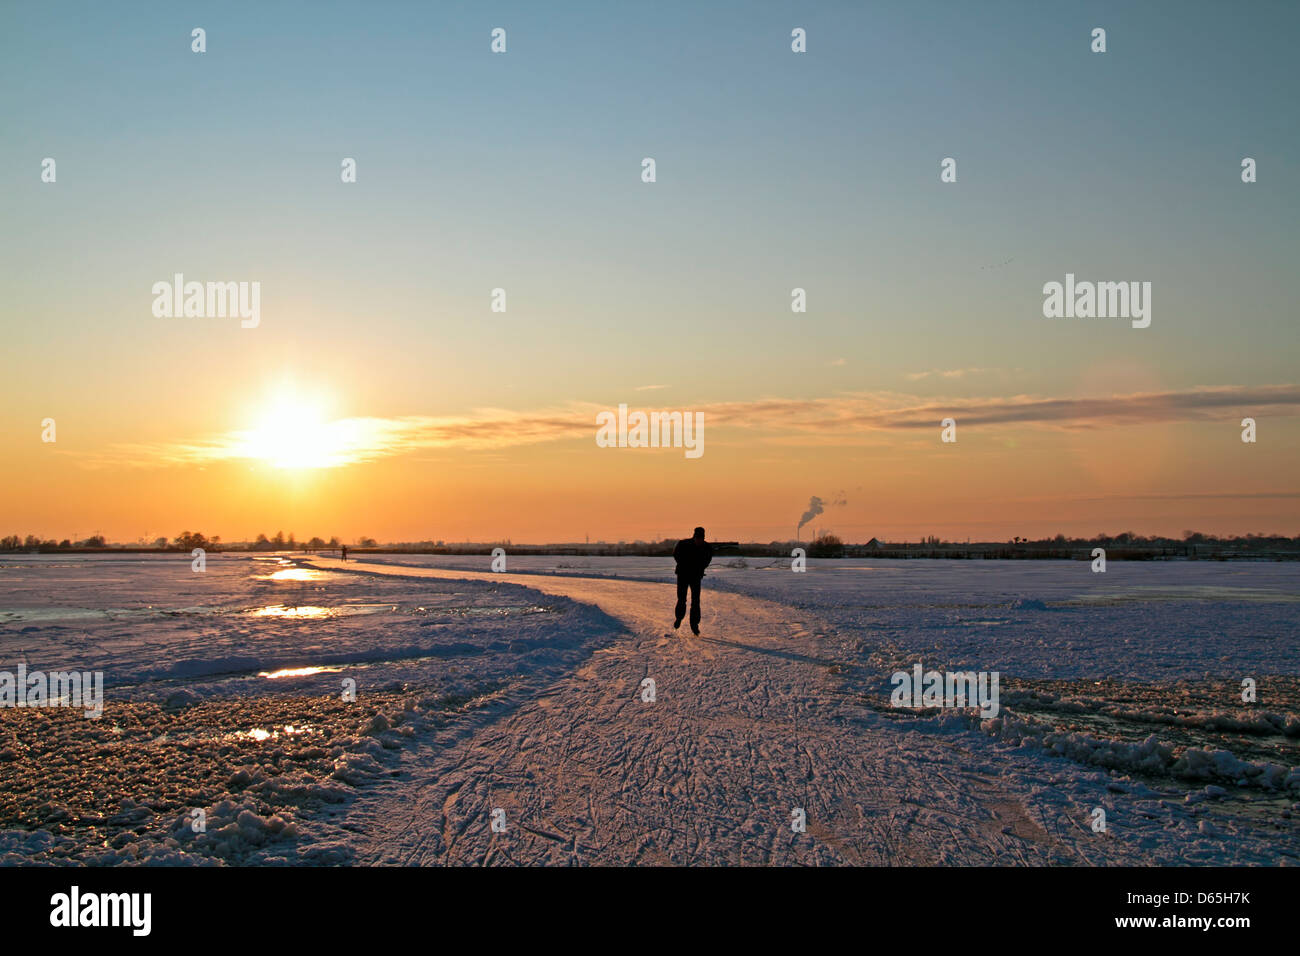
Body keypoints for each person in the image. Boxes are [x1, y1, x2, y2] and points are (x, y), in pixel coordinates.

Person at [672, 526, 712, 635]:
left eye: (701, 539)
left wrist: (699, 568)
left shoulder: (706, 547)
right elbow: (676, 555)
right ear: (694, 537)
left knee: (695, 601)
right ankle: (679, 618)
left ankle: (694, 625)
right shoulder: (683, 544)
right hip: (683, 575)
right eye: (698, 538)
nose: (699, 541)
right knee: (681, 598)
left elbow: (707, 560)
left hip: (695, 576)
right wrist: (686, 565)